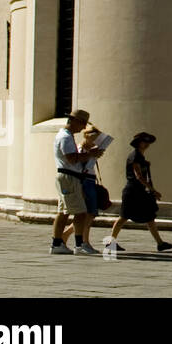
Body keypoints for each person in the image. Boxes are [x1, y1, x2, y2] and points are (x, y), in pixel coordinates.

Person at [106, 132, 172, 253]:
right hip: (132, 191)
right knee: (123, 217)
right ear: (139, 143)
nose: (147, 144)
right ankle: (110, 242)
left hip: (139, 191)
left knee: (149, 216)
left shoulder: (140, 157)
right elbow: (139, 176)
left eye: (148, 142)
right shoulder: (135, 156)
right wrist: (153, 190)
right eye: (145, 142)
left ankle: (160, 243)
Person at [50, 109, 104, 255]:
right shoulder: (66, 137)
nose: (82, 128)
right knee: (81, 212)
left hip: (67, 176)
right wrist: (91, 154)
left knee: (63, 212)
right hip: (69, 177)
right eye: (82, 124)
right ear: (74, 121)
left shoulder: (66, 136)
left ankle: (57, 243)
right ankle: (79, 245)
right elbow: (72, 158)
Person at [61, 124, 107, 249]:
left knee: (90, 213)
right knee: (86, 213)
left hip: (91, 181)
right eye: (94, 138)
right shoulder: (81, 149)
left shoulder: (91, 150)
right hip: (84, 181)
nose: (96, 141)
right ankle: (83, 241)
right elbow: (78, 167)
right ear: (87, 137)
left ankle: (73, 237)